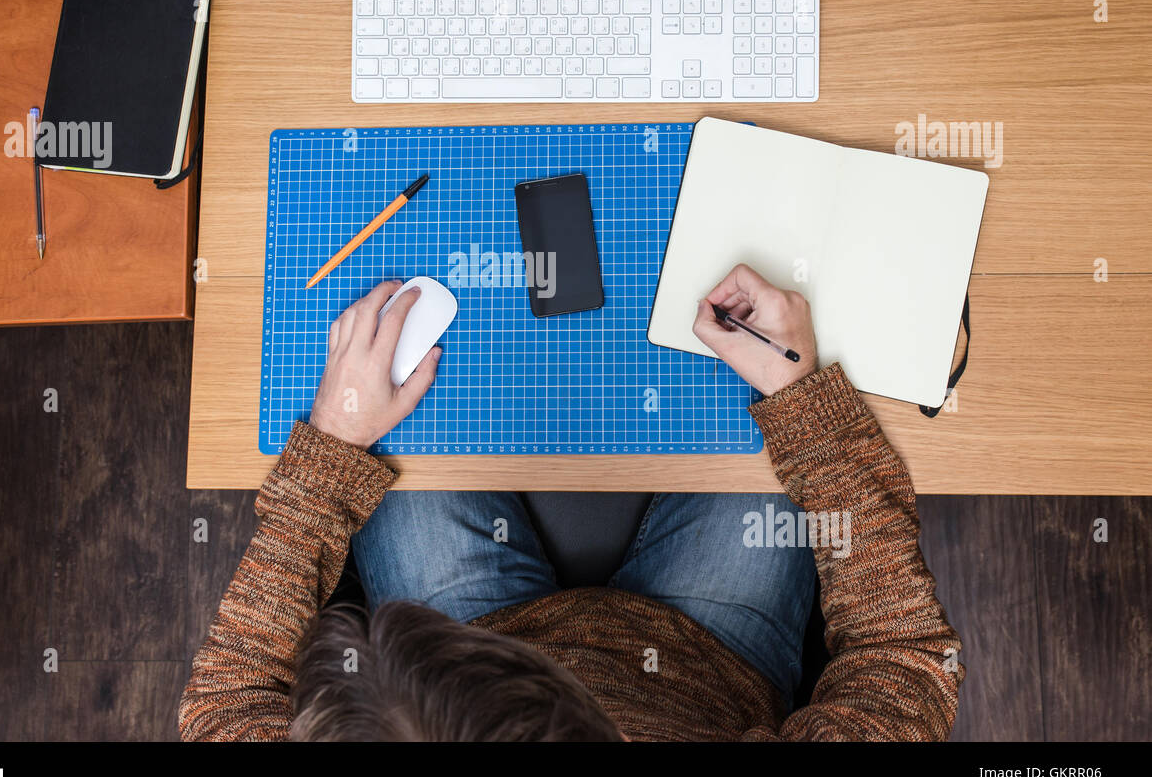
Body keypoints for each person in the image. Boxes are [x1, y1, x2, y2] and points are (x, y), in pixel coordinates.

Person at [179, 264, 963, 741]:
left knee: (395, 441)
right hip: (709, 661)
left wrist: (332, 448)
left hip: (475, 629)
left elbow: (223, 706)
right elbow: (903, 663)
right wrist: (804, 403)